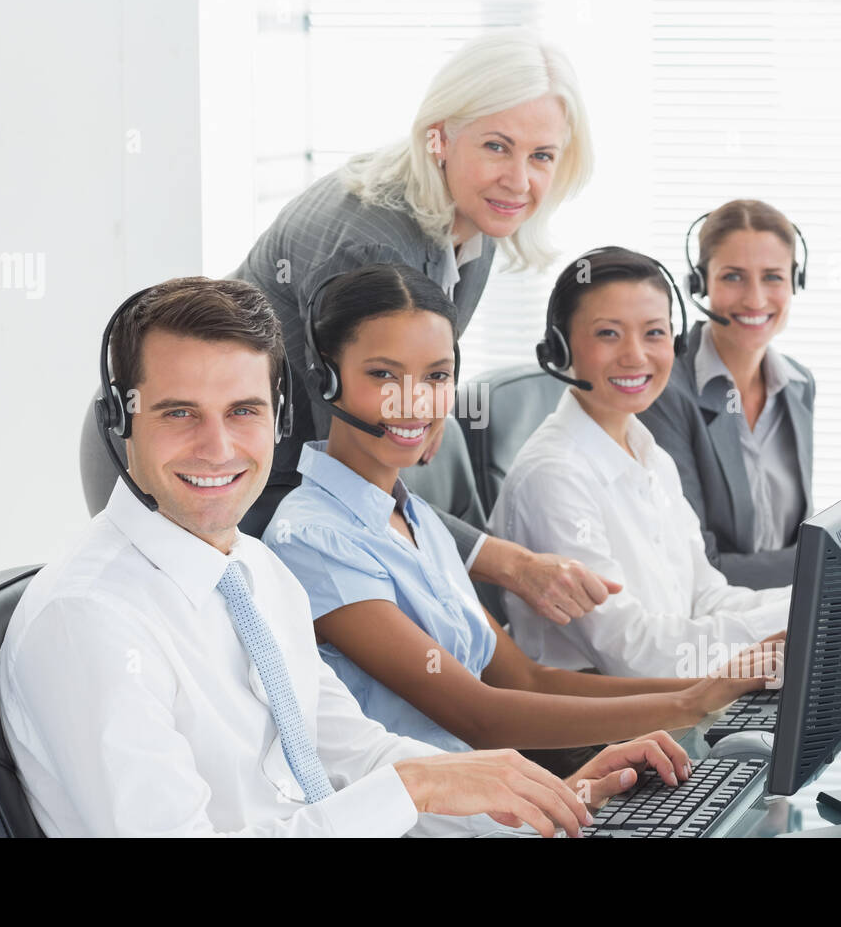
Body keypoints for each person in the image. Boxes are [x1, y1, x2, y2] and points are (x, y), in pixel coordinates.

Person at [0, 276, 697, 838]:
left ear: (276, 417)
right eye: (179, 412)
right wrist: (416, 787)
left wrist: (535, 804)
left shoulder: (253, 572)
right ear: (121, 422)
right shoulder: (90, 621)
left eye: (242, 411)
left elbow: (351, 754)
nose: (217, 447)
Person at [262, 263, 777, 774]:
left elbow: (527, 681)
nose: (414, 401)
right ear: (326, 376)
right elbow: (479, 715)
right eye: (383, 374)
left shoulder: (416, 519)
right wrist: (692, 704)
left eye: (437, 375)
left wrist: (718, 687)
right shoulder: (313, 538)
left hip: (488, 806)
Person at [227, 29, 616, 630]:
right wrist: (511, 565)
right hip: (221, 464)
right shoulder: (371, 244)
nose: (520, 181)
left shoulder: (477, 226)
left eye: (542, 155)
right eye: (497, 146)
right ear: (441, 136)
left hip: (302, 461)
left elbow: (394, 428)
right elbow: (355, 468)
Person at [488, 248, 790, 679]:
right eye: (608, 334)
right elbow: (636, 654)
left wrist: (814, 605)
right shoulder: (554, 475)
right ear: (560, 345)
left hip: (672, 700)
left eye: (653, 333)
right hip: (597, 728)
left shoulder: (650, 455)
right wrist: (794, 623)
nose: (635, 355)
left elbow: (705, 598)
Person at [639, 200, 815, 589]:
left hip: (785, 614)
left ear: (795, 282)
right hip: (712, 625)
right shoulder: (665, 391)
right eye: (733, 277)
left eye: (772, 277)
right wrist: (824, 562)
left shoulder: (799, 386)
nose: (755, 299)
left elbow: (801, 534)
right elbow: (697, 567)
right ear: (701, 284)